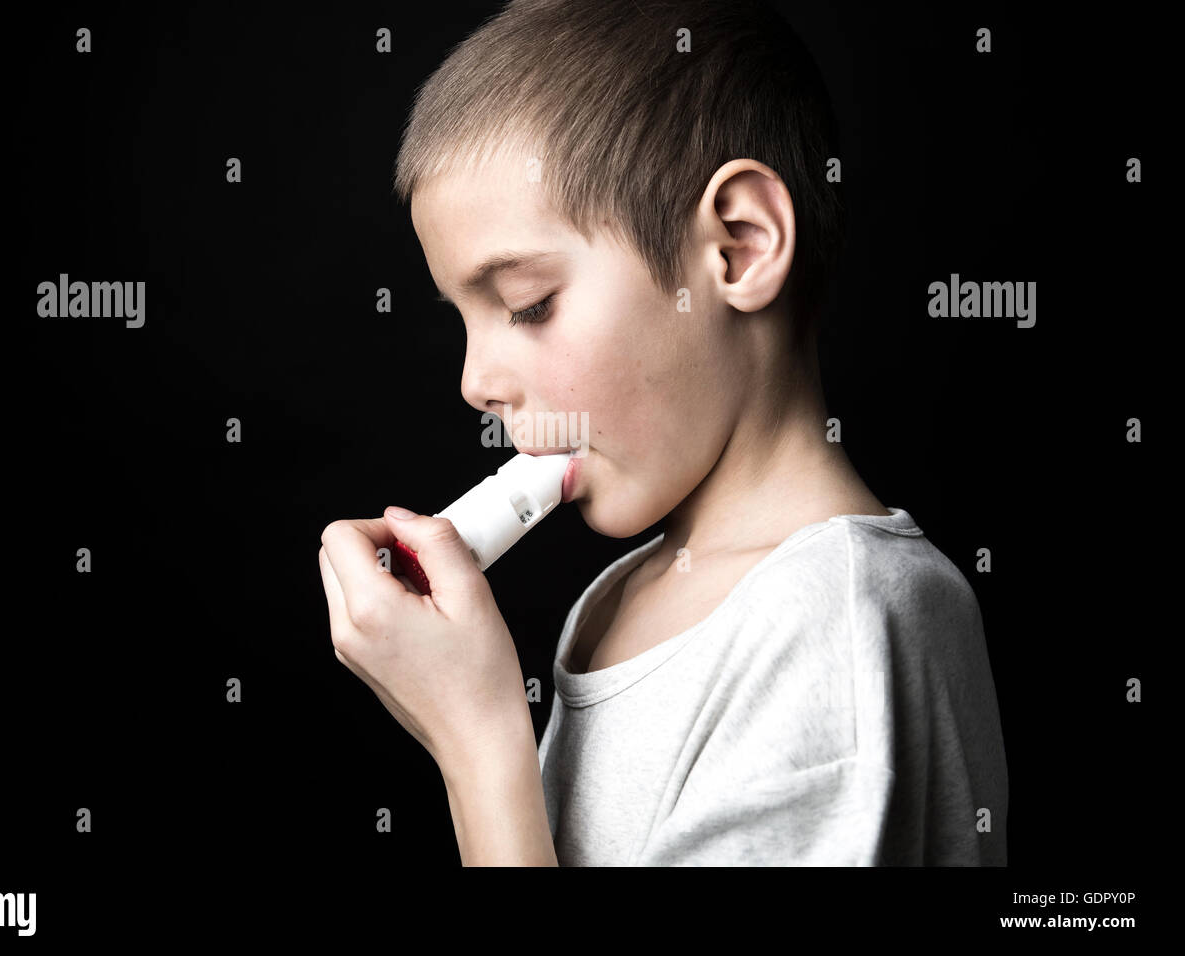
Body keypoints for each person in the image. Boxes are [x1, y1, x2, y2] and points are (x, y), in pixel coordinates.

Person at [319, 0, 1007, 865]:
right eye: (464, 318)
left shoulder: (836, 625)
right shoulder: (616, 601)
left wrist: (479, 744)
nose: (474, 382)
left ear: (740, 248)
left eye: (527, 304)